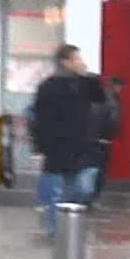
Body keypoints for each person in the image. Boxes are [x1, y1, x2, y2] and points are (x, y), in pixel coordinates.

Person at [30, 44, 105, 238]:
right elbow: (39, 117)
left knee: (83, 187)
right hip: (57, 147)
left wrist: (87, 76)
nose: (81, 62)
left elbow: (100, 97)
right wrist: (40, 146)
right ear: (65, 62)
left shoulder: (84, 83)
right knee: (55, 193)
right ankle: (54, 230)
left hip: (81, 146)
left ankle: (65, 223)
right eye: (76, 59)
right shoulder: (49, 86)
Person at [85, 75, 123, 206]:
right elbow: (113, 121)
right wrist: (110, 135)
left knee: (88, 167)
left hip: (87, 139)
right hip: (102, 140)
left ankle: (85, 197)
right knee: (99, 170)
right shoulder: (111, 100)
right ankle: (92, 197)